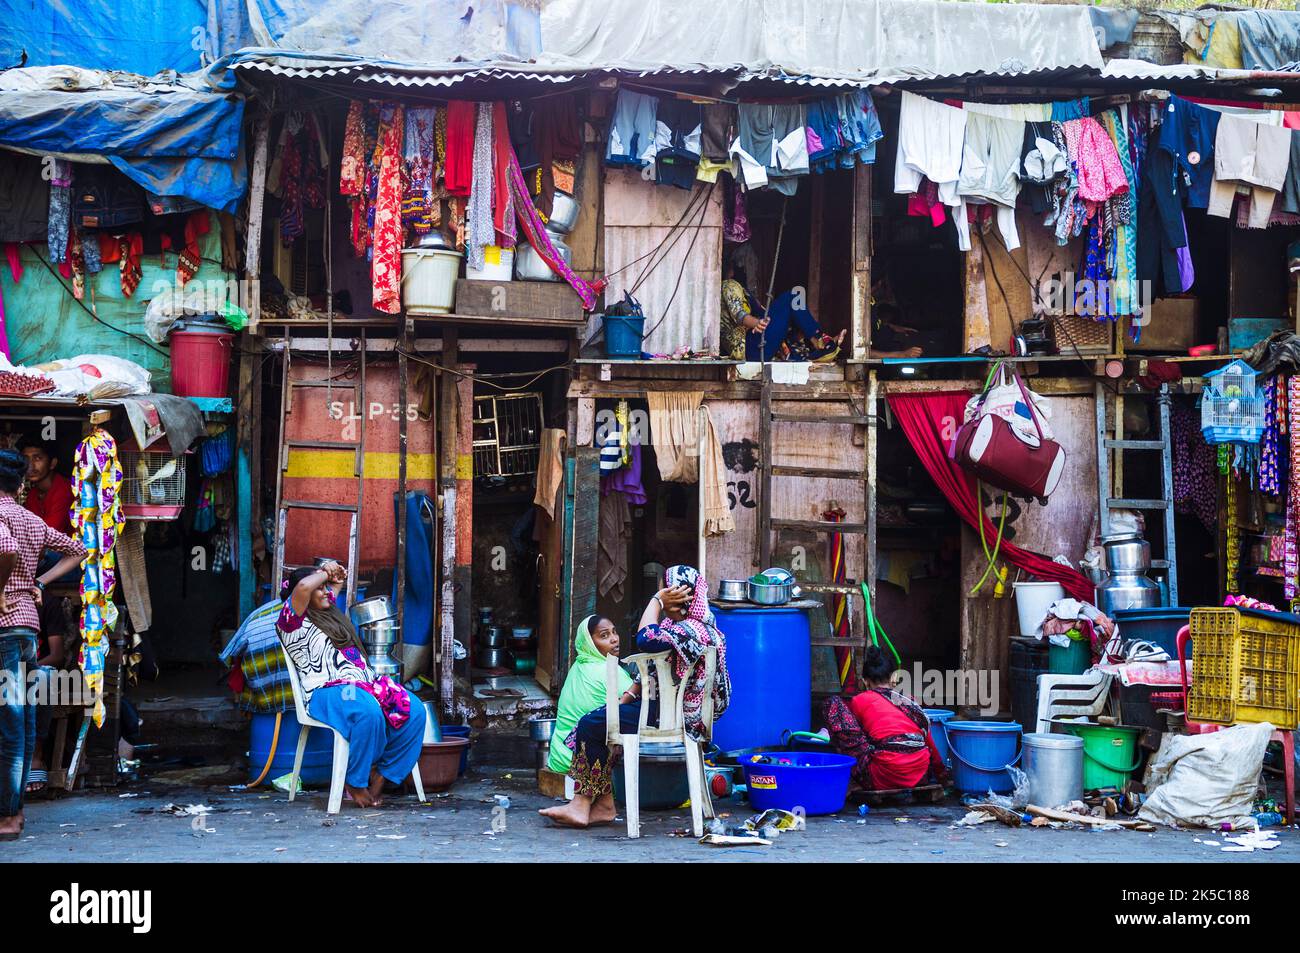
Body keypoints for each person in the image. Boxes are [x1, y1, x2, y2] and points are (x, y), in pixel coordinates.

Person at [540, 565, 731, 829]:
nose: (665, 596)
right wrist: (626, 698)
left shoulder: (692, 630)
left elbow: (645, 639)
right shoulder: (681, 628)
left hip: (673, 716)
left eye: (669, 591)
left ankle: (584, 804)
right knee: (597, 720)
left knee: (590, 725)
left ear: (684, 595)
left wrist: (655, 601)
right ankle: (601, 804)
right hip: (663, 711)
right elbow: (650, 674)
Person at [277, 561, 426, 808]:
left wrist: (335, 573)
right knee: (367, 712)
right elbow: (303, 586)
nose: (327, 592)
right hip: (326, 691)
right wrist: (324, 572)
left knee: (415, 710)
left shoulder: (328, 613)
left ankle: (383, 774)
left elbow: (332, 585)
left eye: (327, 588)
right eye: (321, 588)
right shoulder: (292, 622)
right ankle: (355, 781)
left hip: (364, 684)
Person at [0, 448, 87, 840]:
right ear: (20, 485)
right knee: (23, 722)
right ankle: (14, 811)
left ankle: (8, 815)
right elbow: (78, 549)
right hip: (25, 632)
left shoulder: (2, 515)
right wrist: (38, 583)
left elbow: (5, 549)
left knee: (10, 726)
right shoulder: (29, 518)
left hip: (4, 629)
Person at [822, 645, 946, 791]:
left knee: (833, 703)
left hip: (883, 776)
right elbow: (929, 741)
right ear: (893, 678)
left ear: (865, 681)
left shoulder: (860, 700)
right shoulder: (908, 700)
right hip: (920, 775)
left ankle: (845, 776)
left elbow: (854, 737)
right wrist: (941, 774)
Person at [547, 615, 633, 776]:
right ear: (589, 643)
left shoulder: (577, 666)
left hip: (559, 758)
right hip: (583, 763)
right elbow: (638, 702)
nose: (614, 639)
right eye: (604, 635)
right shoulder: (609, 669)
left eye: (614, 632)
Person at [19, 438, 73, 537]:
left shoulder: (65, 491)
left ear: (52, 463)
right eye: (26, 459)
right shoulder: (33, 494)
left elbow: (48, 535)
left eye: (37, 458)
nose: (30, 465)